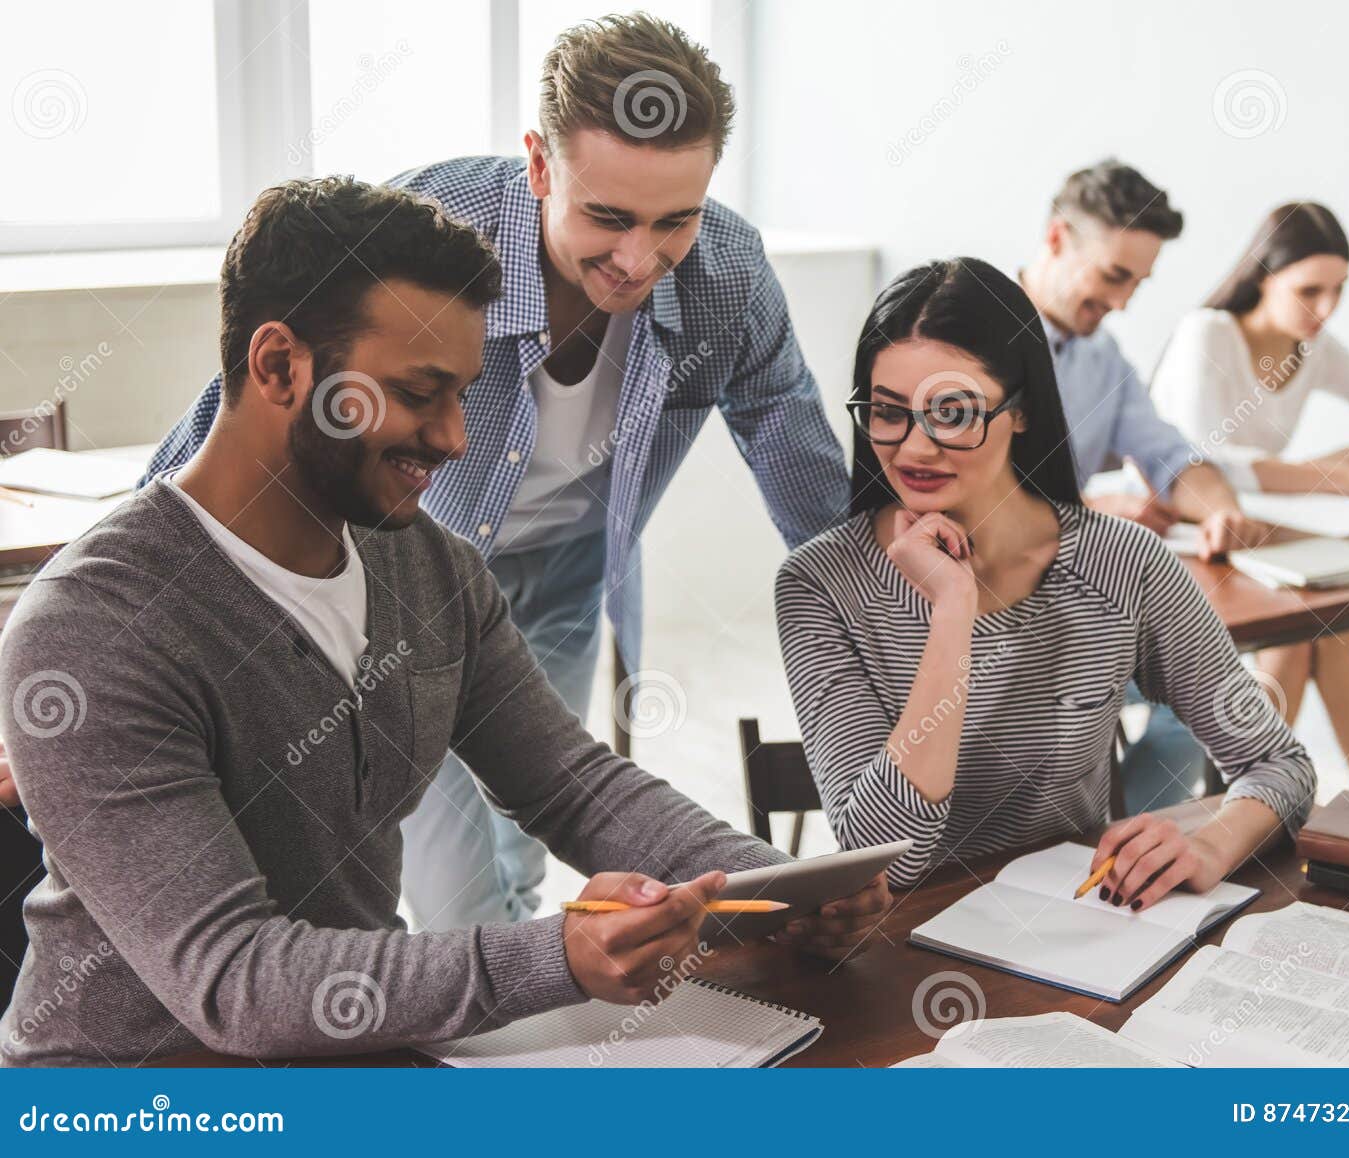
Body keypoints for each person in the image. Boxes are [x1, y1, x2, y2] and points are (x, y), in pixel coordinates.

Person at [0, 177, 887, 1066]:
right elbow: (238, 980)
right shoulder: (93, 632)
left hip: (357, 1061)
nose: (456, 437)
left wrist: (773, 889)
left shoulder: (427, 567)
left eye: (462, 392)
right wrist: (556, 956)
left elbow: (571, 784)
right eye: (421, 393)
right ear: (278, 367)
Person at [139, 14, 849, 931]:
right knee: (457, 892)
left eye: (675, 220)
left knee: (525, 851)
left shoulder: (728, 278)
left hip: (561, 572)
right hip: (402, 580)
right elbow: (229, 415)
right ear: (541, 166)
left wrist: (907, 638)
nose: (640, 260)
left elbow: (808, 478)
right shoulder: (422, 232)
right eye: (607, 217)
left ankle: (494, 1053)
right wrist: (97, 623)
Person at [774, 258, 1315, 900]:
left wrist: (1209, 844)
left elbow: (1281, 764)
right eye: (888, 412)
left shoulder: (1125, 563)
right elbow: (886, 862)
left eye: (952, 411)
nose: (914, 448)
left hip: (1083, 933)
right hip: (900, 950)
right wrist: (951, 613)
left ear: (1022, 409)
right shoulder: (818, 584)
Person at [1151, 202, 1349, 795]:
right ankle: (1332, 792)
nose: (1326, 310)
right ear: (1264, 275)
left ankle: (1271, 798)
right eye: (1311, 290)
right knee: (1311, 615)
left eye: (1339, 291)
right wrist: (1348, 477)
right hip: (1175, 535)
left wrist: (1330, 466)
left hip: (1253, 533)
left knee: (1320, 611)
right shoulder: (1208, 333)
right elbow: (1206, 462)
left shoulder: (1314, 350)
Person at [1017, 159, 1273, 813]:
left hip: (1072, 618)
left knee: (1207, 699)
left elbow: (1167, 455)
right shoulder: (967, 338)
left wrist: (1219, 509)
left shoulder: (1101, 360)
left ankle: (1113, 853)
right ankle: (1094, 853)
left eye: (1139, 282)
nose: (1124, 301)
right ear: (1056, 240)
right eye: (1113, 276)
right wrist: (1087, 511)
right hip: (988, 632)